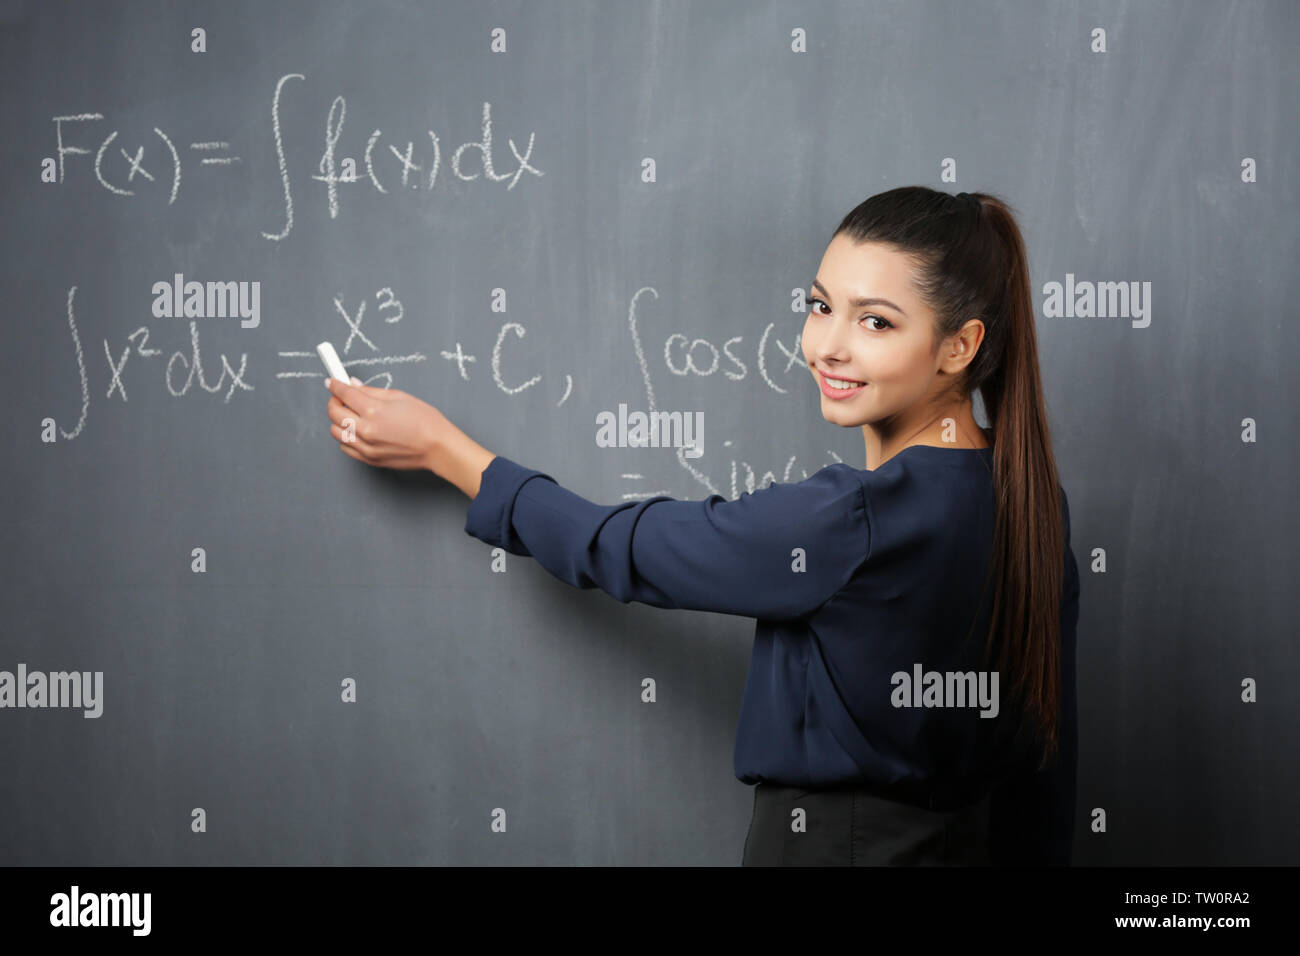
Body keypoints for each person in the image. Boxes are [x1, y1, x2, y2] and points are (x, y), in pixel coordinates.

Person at [323, 185, 1080, 866]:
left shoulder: (848, 520)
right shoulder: (1030, 505)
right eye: (820, 307)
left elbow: (612, 546)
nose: (828, 347)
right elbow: (1048, 764)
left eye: (875, 322)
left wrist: (443, 449)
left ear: (961, 346)